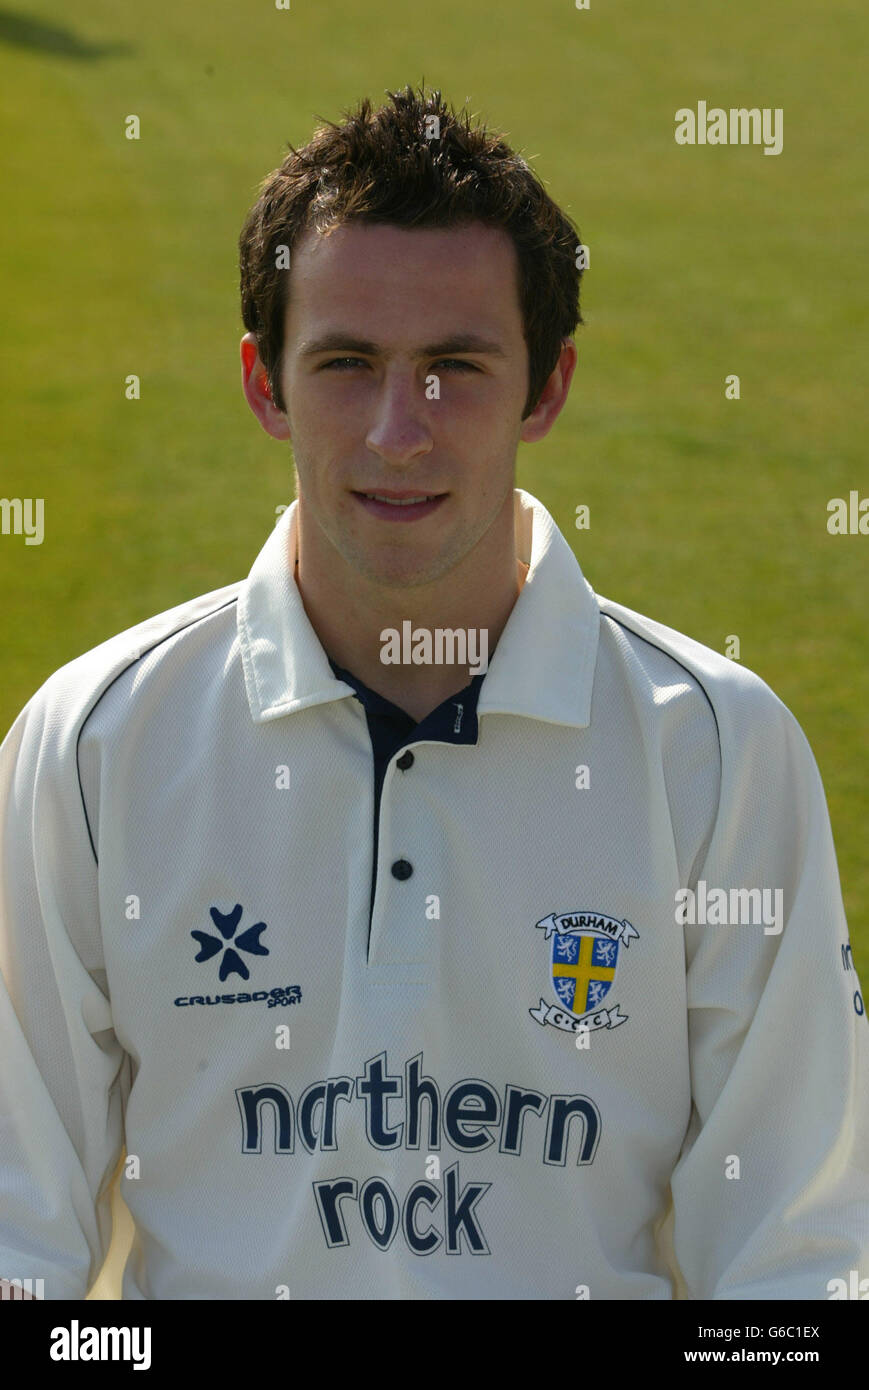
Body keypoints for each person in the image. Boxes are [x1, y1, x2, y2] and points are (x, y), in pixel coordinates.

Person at [1, 85, 867, 1301]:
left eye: (454, 367)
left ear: (545, 387)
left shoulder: (716, 748)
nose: (398, 433)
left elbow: (800, 1257)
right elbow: (16, 1242)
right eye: (346, 364)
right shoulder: (92, 744)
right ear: (263, 384)